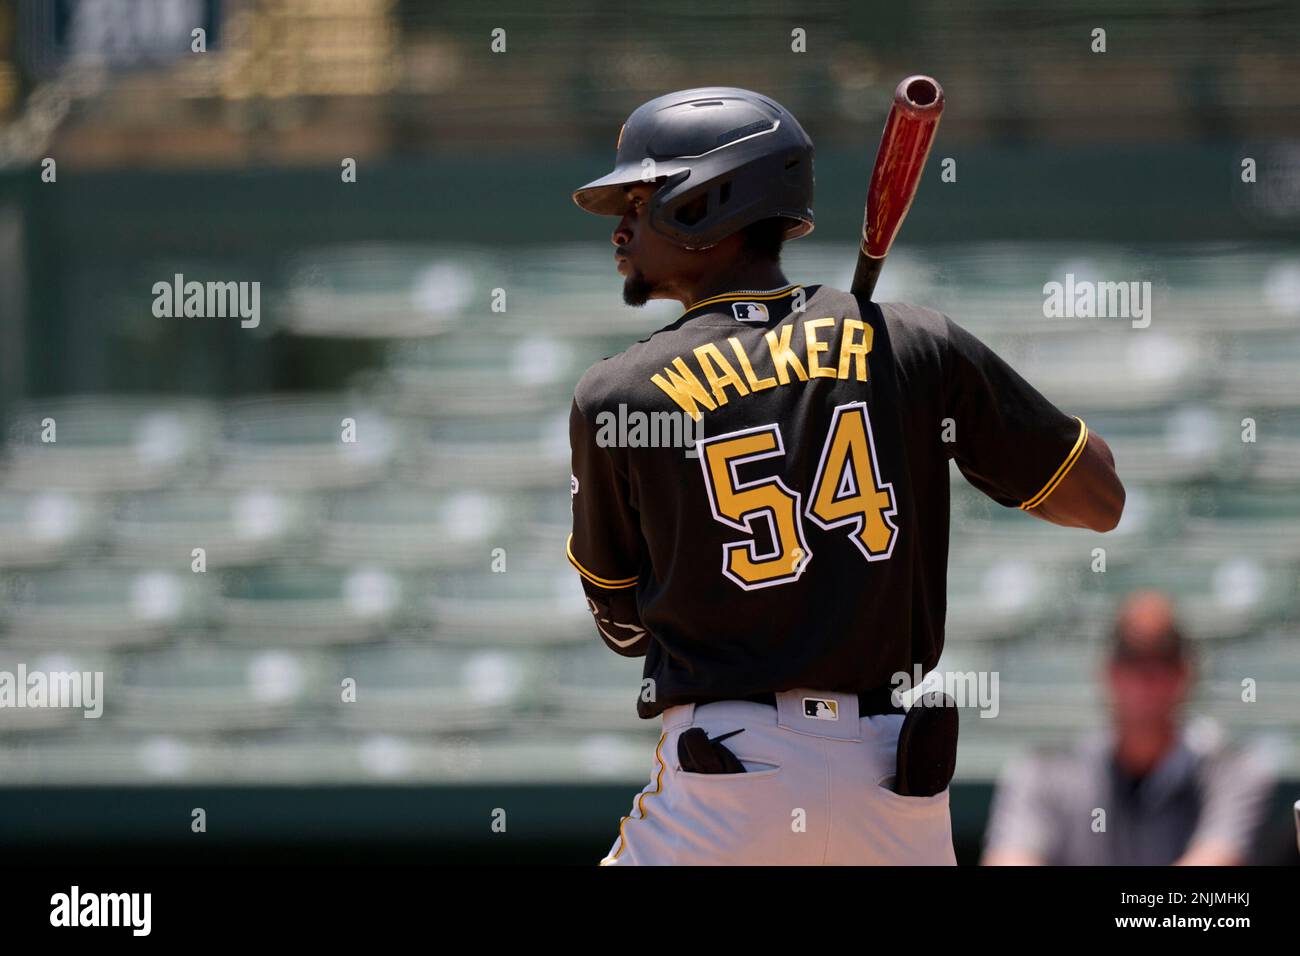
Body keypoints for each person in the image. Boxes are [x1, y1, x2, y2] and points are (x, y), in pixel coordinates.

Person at [566, 87, 1125, 865]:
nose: (621, 225)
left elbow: (624, 628)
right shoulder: (912, 343)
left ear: (706, 199)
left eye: (641, 195)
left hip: (726, 787)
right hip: (895, 797)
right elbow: (1099, 499)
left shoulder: (618, 394)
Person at [982, 591, 1276, 866]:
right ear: (1108, 670)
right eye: (1131, 657)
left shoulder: (1232, 771)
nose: (1146, 677)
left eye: (1163, 657)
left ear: (1186, 671)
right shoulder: (1045, 773)